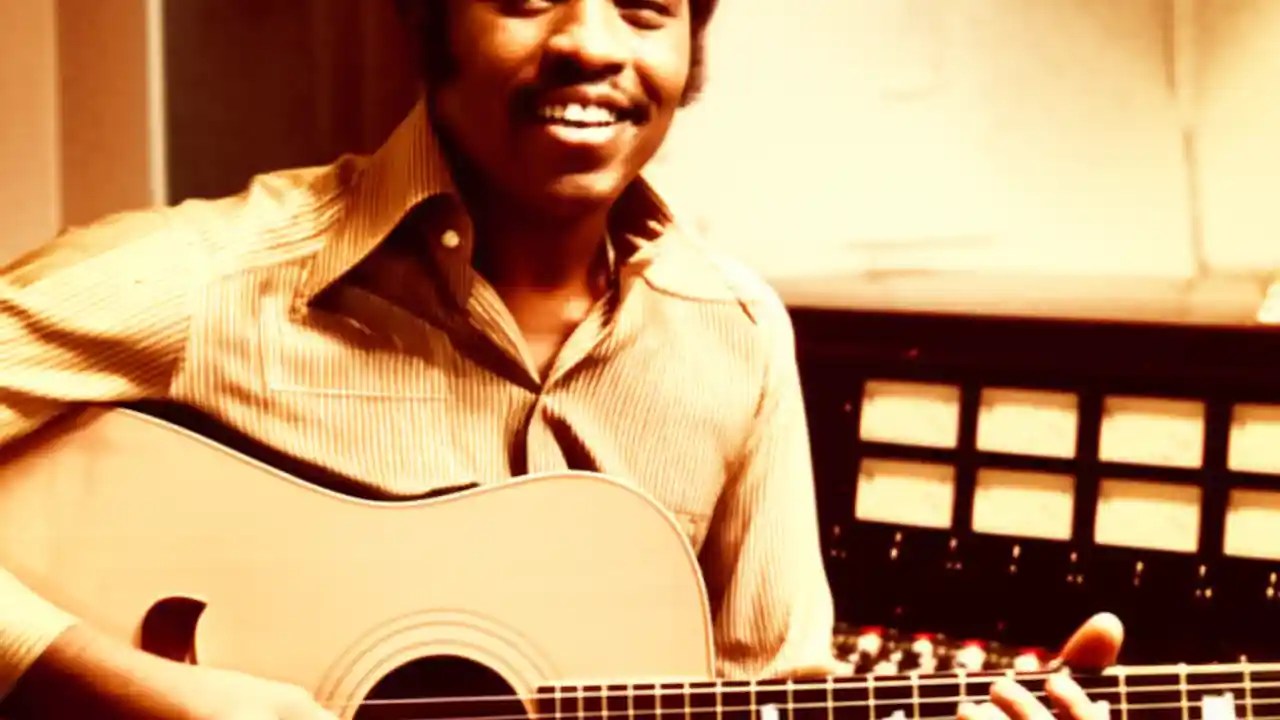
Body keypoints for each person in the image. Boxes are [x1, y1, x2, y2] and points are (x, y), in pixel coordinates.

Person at [0, 1, 1123, 718]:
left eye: (647, 7)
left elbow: (772, 695)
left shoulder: (733, 334)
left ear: (688, 51)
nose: (591, 43)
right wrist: (127, 688)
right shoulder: (213, 279)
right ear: (430, 20)